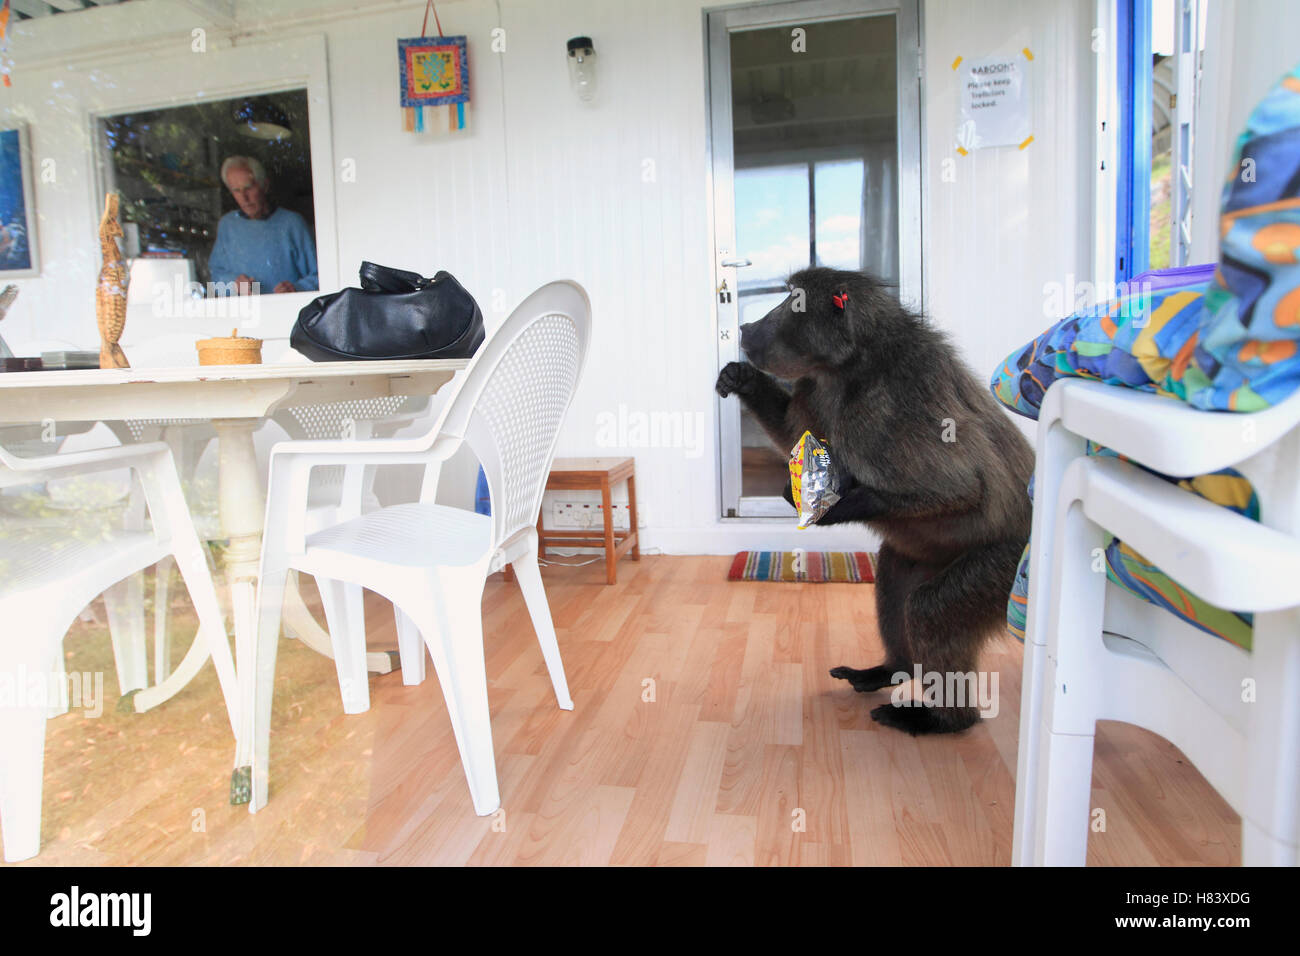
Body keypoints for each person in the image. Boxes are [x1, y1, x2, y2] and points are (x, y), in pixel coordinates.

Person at [207, 155, 317, 294]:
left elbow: (321, 276)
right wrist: (234, 284)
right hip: (245, 313)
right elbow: (215, 277)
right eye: (236, 190)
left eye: (248, 188)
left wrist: (296, 288)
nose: (244, 197)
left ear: (264, 186)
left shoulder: (292, 223)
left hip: (288, 310)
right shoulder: (227, 225)